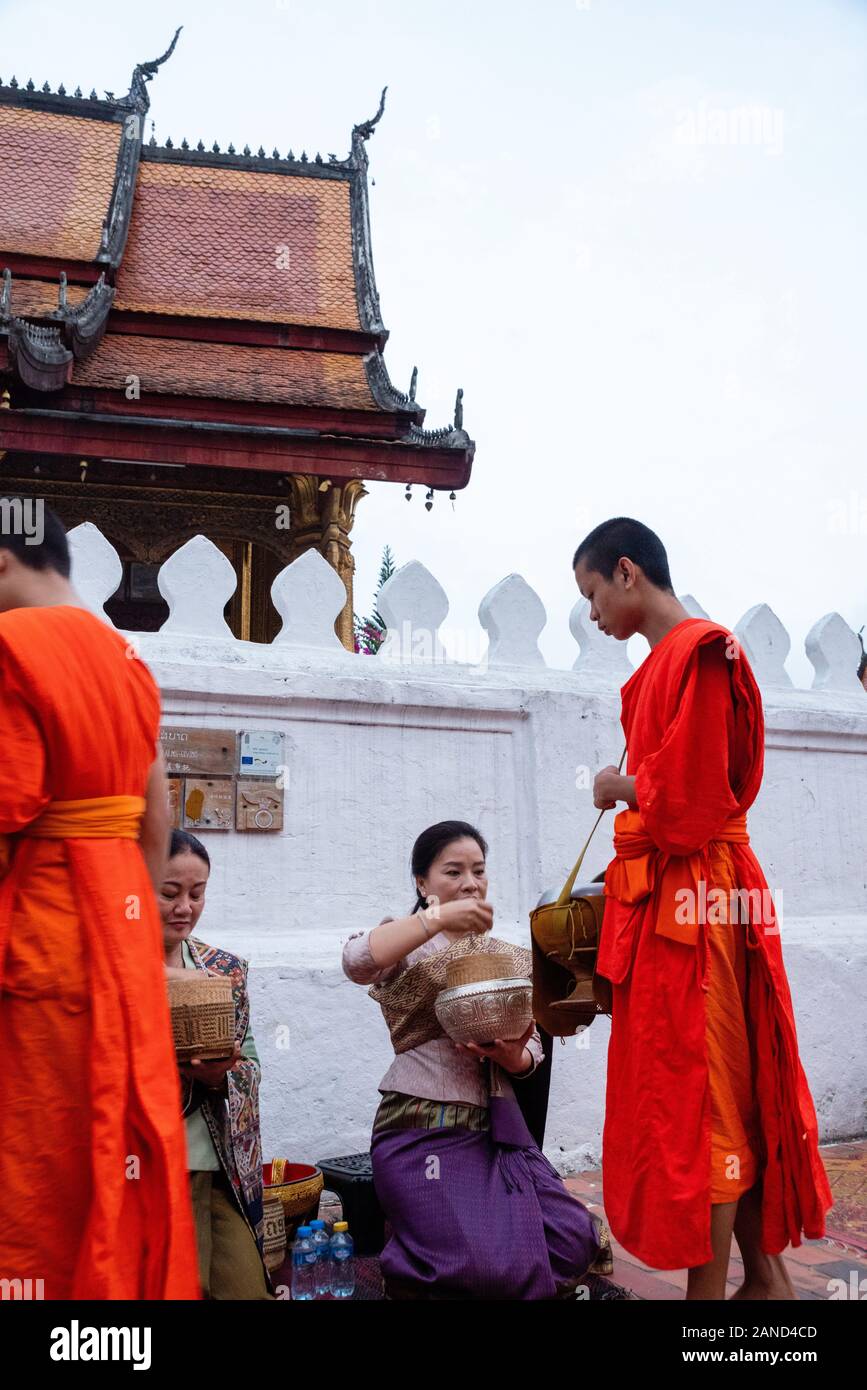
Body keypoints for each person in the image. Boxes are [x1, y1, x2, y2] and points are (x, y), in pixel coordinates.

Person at [573, 516, 833, 1300]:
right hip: (669, 899)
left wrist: (623, 789)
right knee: (692, 1088)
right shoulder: (658, 667)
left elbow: (688, 804)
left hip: (703, 901)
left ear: (626, 572)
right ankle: (763, 1280)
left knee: (706, 1091)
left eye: (590, 594)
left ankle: (709, 1297)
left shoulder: (702, 652)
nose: (591, 615)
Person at [0, 501, 199, 1299]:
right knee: (118, 1137)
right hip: (118, 932)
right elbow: (157, 818)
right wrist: (137, 923)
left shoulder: (11, 647)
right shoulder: (126, 661)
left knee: (38, 1157)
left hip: (46, 930)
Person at [342, 819, 606, 1300]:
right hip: (421, 1131)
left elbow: (532, 1052)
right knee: (481, 1267)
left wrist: (512, 1056)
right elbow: (357, 961)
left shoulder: (497, 957)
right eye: (453, 871)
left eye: (479, 871)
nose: (470, 882)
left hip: (496, 1134)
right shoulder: (407, 939)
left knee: (572, 1240)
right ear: (422, 883)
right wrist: (437, 919)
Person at [159, 829, 272, 1299]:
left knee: (243, 1288)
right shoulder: (107, 967)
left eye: (197, 893)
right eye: (169, 892)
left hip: (214, 1161)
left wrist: (219, 1075)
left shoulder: (224, 969)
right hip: (143, 1164)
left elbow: (250, 1062)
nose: (185, 906)